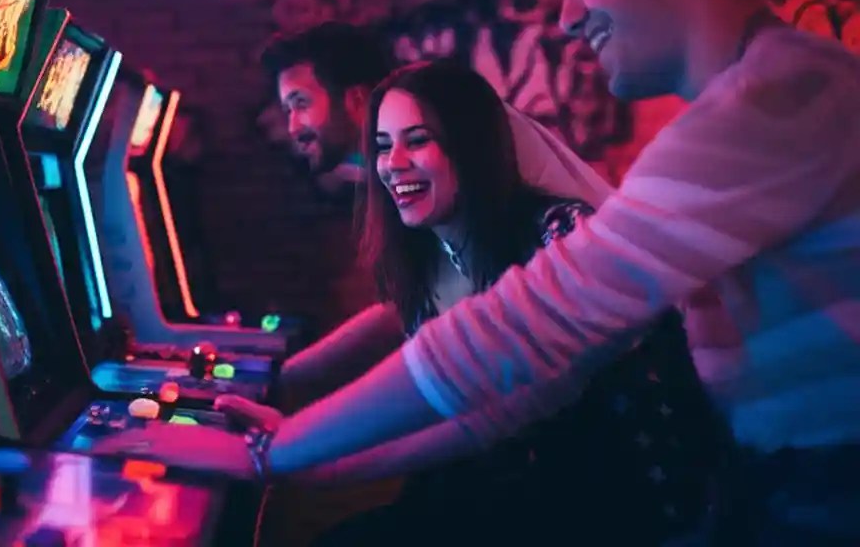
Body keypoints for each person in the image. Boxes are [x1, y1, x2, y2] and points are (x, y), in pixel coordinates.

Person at [97, 0, 860, 544]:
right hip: (765, 481)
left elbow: (522, 327)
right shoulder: (758, 103)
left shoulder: (779, 98)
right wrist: (293, 448)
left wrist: (276, 448)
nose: (565, 17)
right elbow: (499, 372)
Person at [249, 61, 716, 544]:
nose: (393, 164)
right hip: (518, 486)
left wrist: (295, 454)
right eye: (384, 147)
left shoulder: (561, 232)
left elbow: (491, 416)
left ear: (470, 147)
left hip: (616, 503)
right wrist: (296, 438)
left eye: (419, 139)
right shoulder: (434, 247)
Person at [263, 21, 611, 404]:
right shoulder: (397, 177)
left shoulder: (479, 148)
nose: (292, 125)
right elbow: (421, 309)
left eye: (301, 104)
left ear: (357, 100)